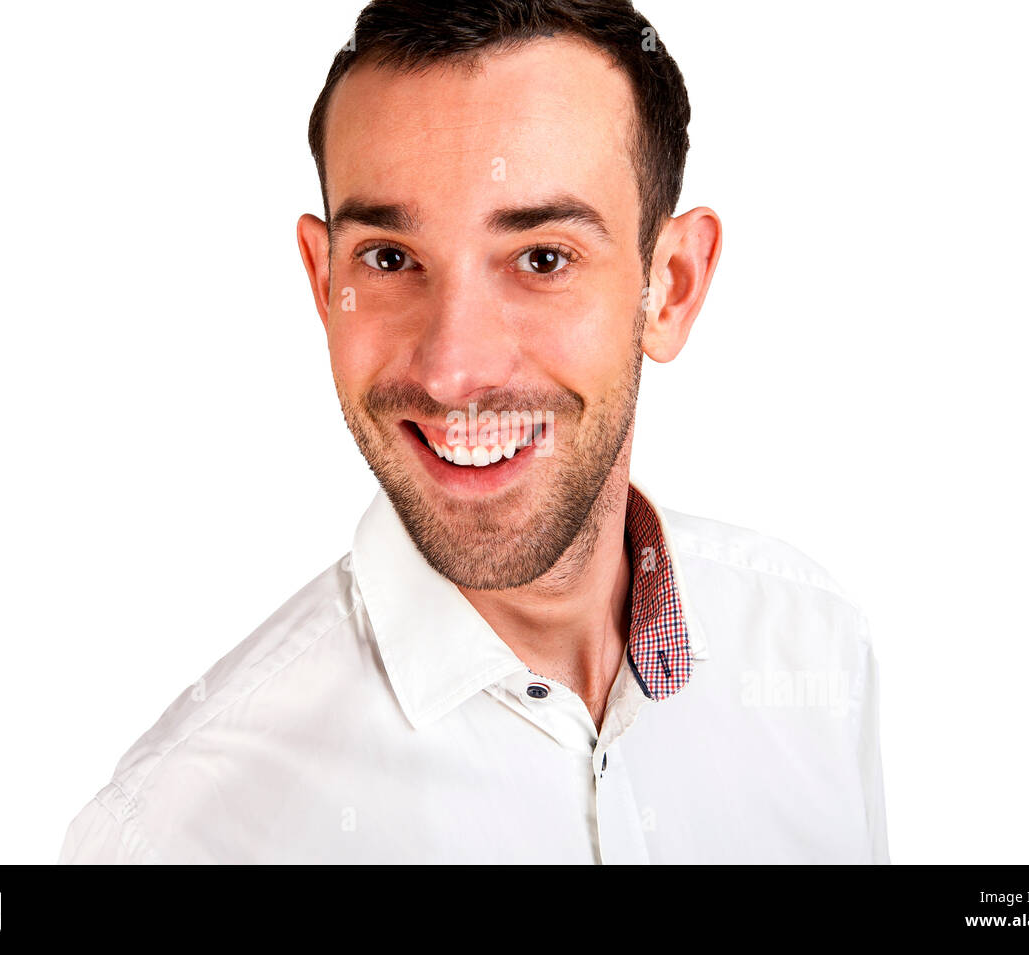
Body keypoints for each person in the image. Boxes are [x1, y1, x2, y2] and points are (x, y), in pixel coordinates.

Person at [59, 0, 889, 864]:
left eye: (542, 259)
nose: (453, 371)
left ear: (671, 287)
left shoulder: (817, 648)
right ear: (324, 281)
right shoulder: (177, 834)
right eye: (389, 259)